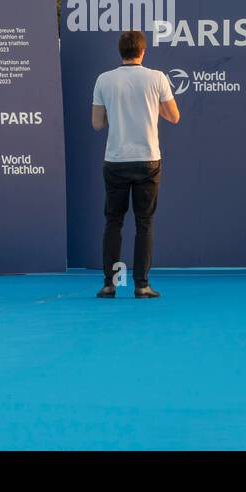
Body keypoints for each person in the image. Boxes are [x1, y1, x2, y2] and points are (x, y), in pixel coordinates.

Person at [91, 29, 180, 299]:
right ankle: (142, 285)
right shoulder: (157, 78)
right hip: (148, 160)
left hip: (116, 159)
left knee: (114, 222)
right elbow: (174, 117)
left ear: (121, 51)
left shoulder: (104, 80)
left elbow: (97, 124)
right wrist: (153, 107)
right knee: (144, 223)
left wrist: (114, 114)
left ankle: (111, 284)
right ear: (143, 51)